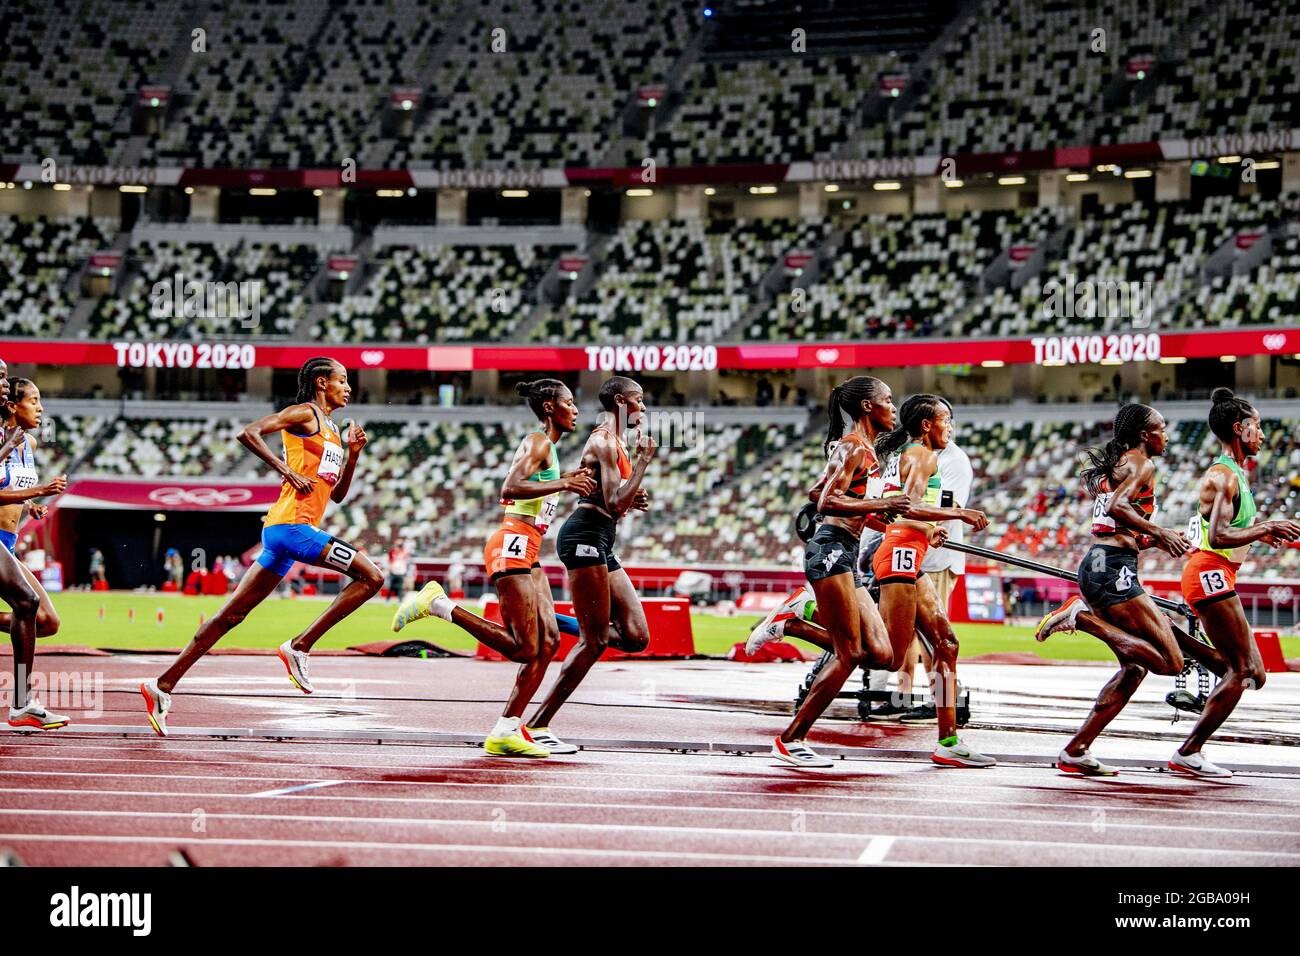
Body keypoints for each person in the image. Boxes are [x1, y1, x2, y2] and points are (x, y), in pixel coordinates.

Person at [139, 357, 383, 736]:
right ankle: (300, 646)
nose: (349, 387)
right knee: (372, 577)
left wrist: (353, 455)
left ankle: (161, 686)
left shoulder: (333, 431)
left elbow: (336, 497)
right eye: (343, 380)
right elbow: (249, 432)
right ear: (321, 382)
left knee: (229, 617)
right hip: (291, 527)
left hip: (286, 537)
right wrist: (284, 470)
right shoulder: (304, 414)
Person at [391, 378, 596, 757]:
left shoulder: (547, 448)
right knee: (523, 648)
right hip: (511, 543)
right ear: (550, 407)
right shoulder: (538, 443)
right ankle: (438, 605)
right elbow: (510, 487)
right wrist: (565, 484)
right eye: (570, 402)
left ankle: (506, 730)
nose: (576, 410)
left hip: (530, 550)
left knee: (548, 642)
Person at [1035, 403, 1194, 775]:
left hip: (1103, 564)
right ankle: (1081, 618)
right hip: (1111, 570)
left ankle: (1076, 749)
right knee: (1170, 663)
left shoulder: (1120, 465)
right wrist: (1161, 531)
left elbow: (1118, 527)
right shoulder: (1140, 463)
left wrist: (1160, 540)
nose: (1166, 435)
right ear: (1144, 434)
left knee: (1134, 669)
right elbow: (1122, 509)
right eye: (1162, 428)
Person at [769, 376, 910, 767]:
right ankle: (790, 739)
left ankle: (794, 622)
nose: (894, 407)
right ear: (868, 407)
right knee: (849, 654)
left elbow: (818, 490)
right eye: (888, 399)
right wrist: (879, 505)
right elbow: (826, 501)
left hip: (845, 551)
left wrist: (882, 517)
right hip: (829, 551)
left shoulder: (865, 452)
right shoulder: (852, 448)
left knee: (883, 655)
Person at [522, 376, 655, 752]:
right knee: (594, 641)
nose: (643, 409)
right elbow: (613, 503)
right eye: (638, 401)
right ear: (619, 401)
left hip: (600, 538)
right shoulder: (602, 440)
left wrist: (635, 496)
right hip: (583, 536)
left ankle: (545, 618)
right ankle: (538, 725)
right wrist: (643, 463)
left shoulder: (615, 443)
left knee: (635, 636)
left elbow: (616, 499)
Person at [1171, 389, 1300, 777]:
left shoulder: (1236, 474)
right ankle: (1189, 752)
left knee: (1253, 673)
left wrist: (1260, 533)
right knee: (1244, 671)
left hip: (1218, 573)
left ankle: (1170, 635)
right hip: (1209, 571)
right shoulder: (1223, 474)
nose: (1262, 434)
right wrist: (1267, 527)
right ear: (1239, 428)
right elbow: (1220, 535)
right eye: (1257, 427)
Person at [872, 394, 993, 766]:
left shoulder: (904, 457)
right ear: (927, 425)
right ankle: (797, 618)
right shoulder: (922, 456)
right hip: (899, 555)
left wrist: (928, 528)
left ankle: (948, 740)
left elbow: (894, 512)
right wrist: (960, 513)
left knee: (945, 643)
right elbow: (904, 508)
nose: (950, 429)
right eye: (946, 421)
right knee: (887, 655)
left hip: (908, 552)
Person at [0, 371, 68, 729]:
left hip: (7, 544)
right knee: (26, 604)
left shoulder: (30, 444)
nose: (41, 408)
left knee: (47, 622)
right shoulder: (2, 438)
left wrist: (29, 507)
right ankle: (22, 704)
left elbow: (13, 492)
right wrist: (37, 492)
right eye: (34, 400)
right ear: (12, 405)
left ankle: (22, 704)